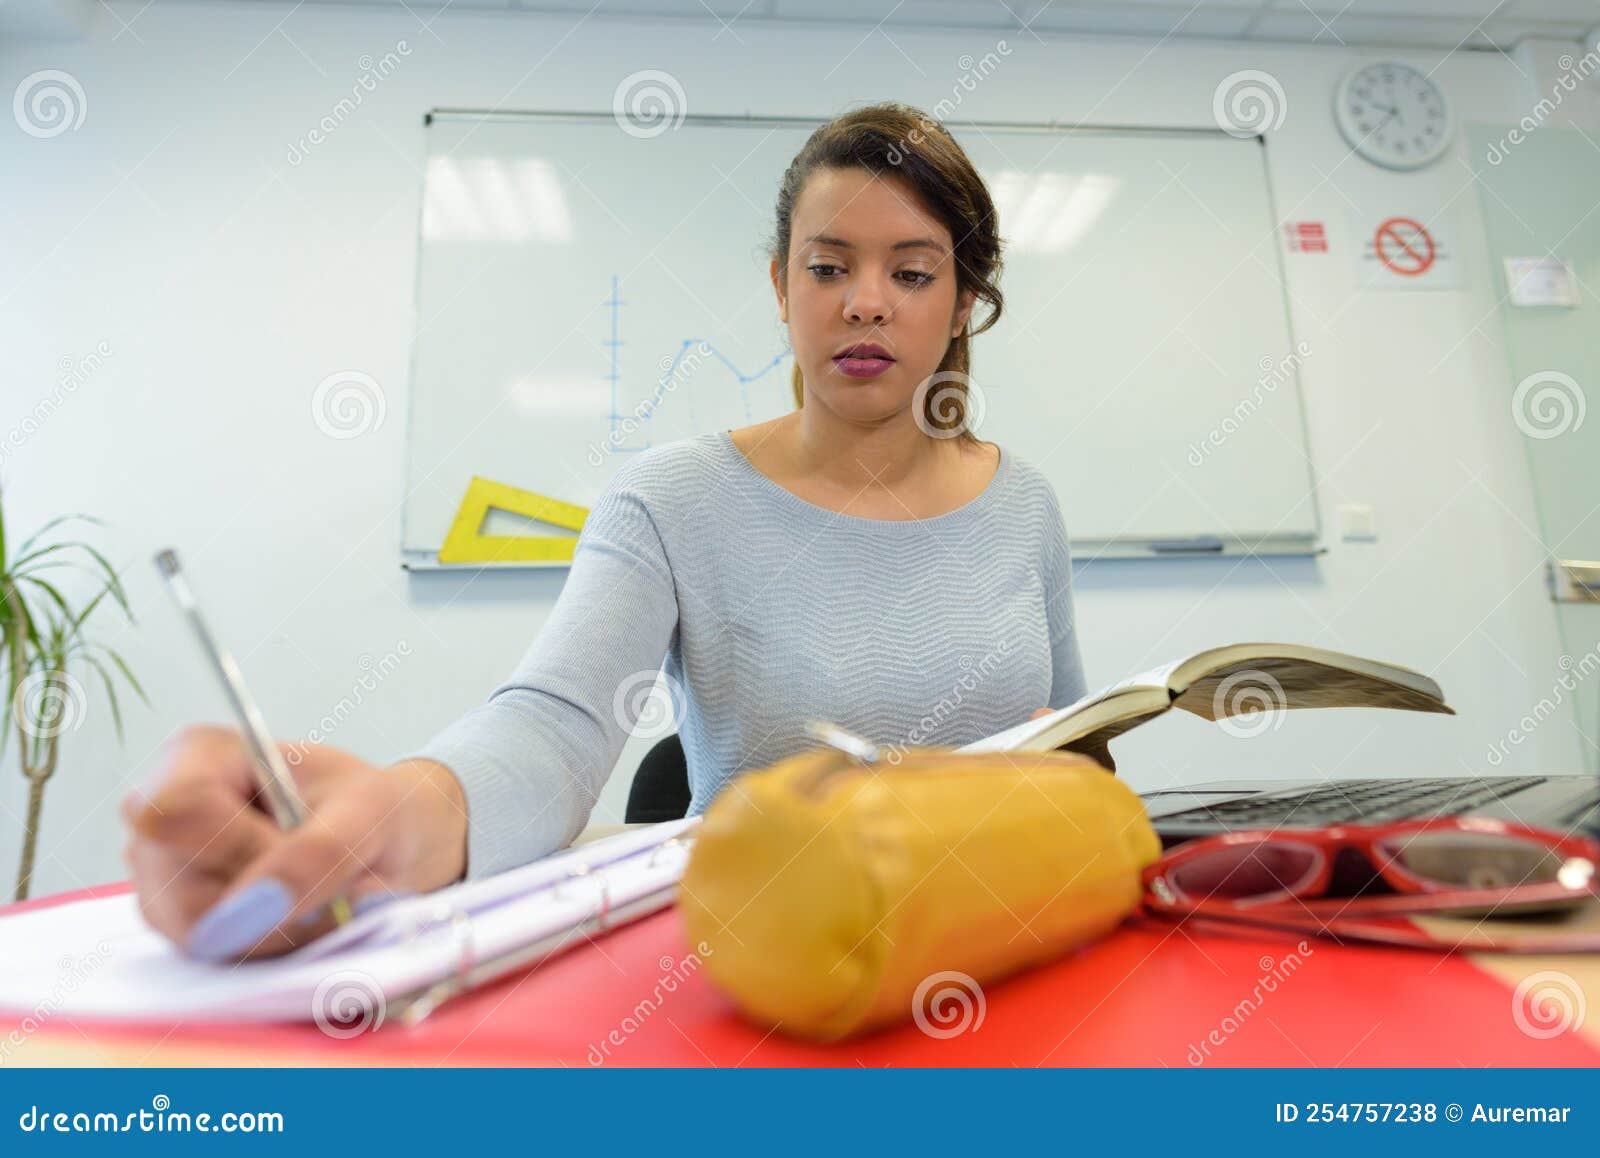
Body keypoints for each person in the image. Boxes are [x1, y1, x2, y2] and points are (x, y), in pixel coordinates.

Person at [121, 100, 1089, 963]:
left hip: (1012, 941)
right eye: (827, 266)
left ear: (964, 299)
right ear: (780, 286)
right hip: (783, 961)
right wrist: (401, 814)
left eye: (911, 272)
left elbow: (1079, 744)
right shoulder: (672, 499)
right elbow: (553, 726)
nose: (864, 300)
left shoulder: (1024, 503)